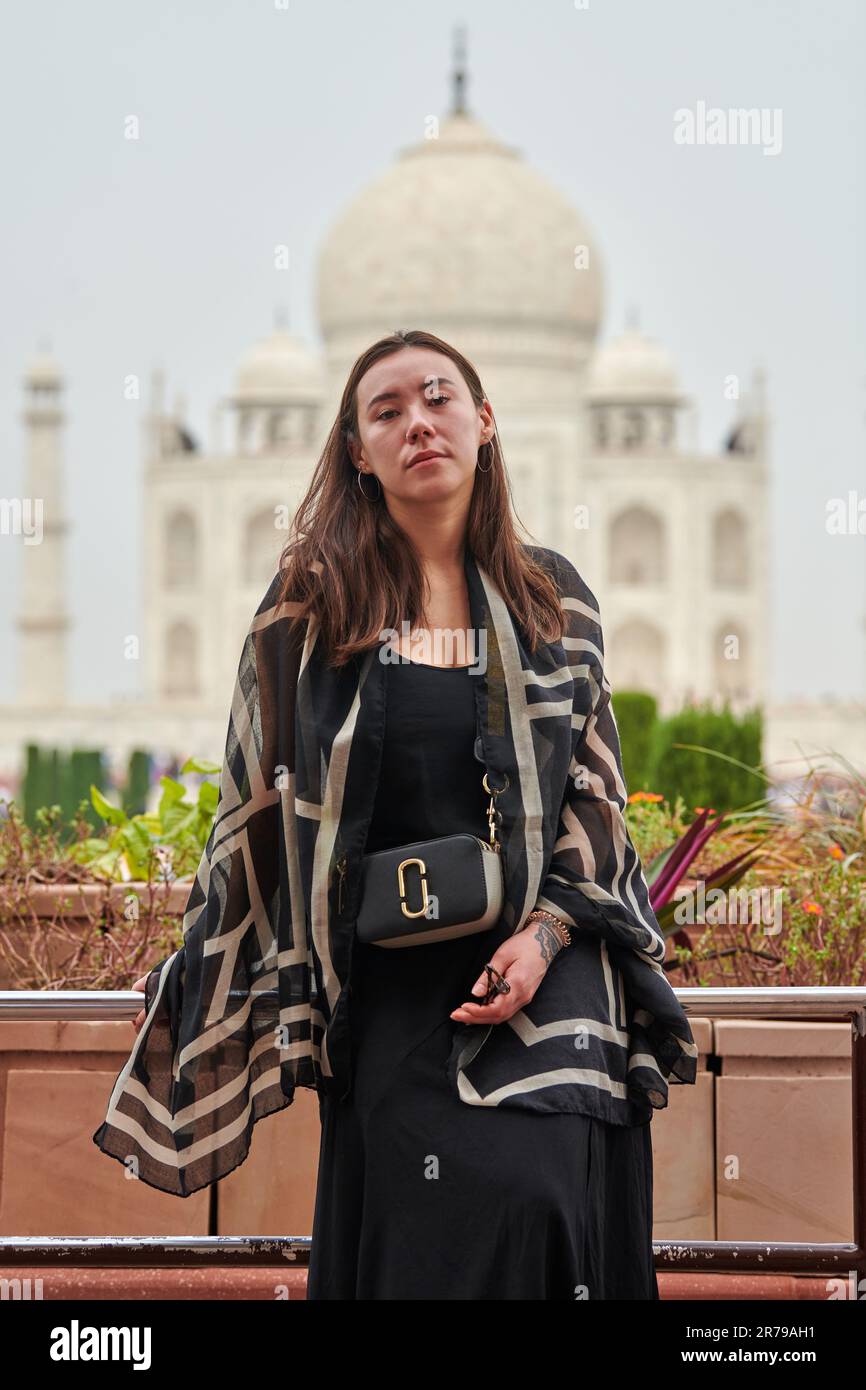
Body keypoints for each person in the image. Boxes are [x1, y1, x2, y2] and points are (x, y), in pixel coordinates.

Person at [106, 327, 698, 1300]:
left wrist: (544, 937)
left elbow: (596, 797)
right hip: (389, 994)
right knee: (420, 1243)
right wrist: (198, 958)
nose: (416, 423)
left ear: (486, 422)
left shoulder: (554, 603)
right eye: (385, 411)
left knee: (537, 1205)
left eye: (437, 398)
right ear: (354, 448)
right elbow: (254, 806)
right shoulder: (311, 609)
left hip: (544, 978)